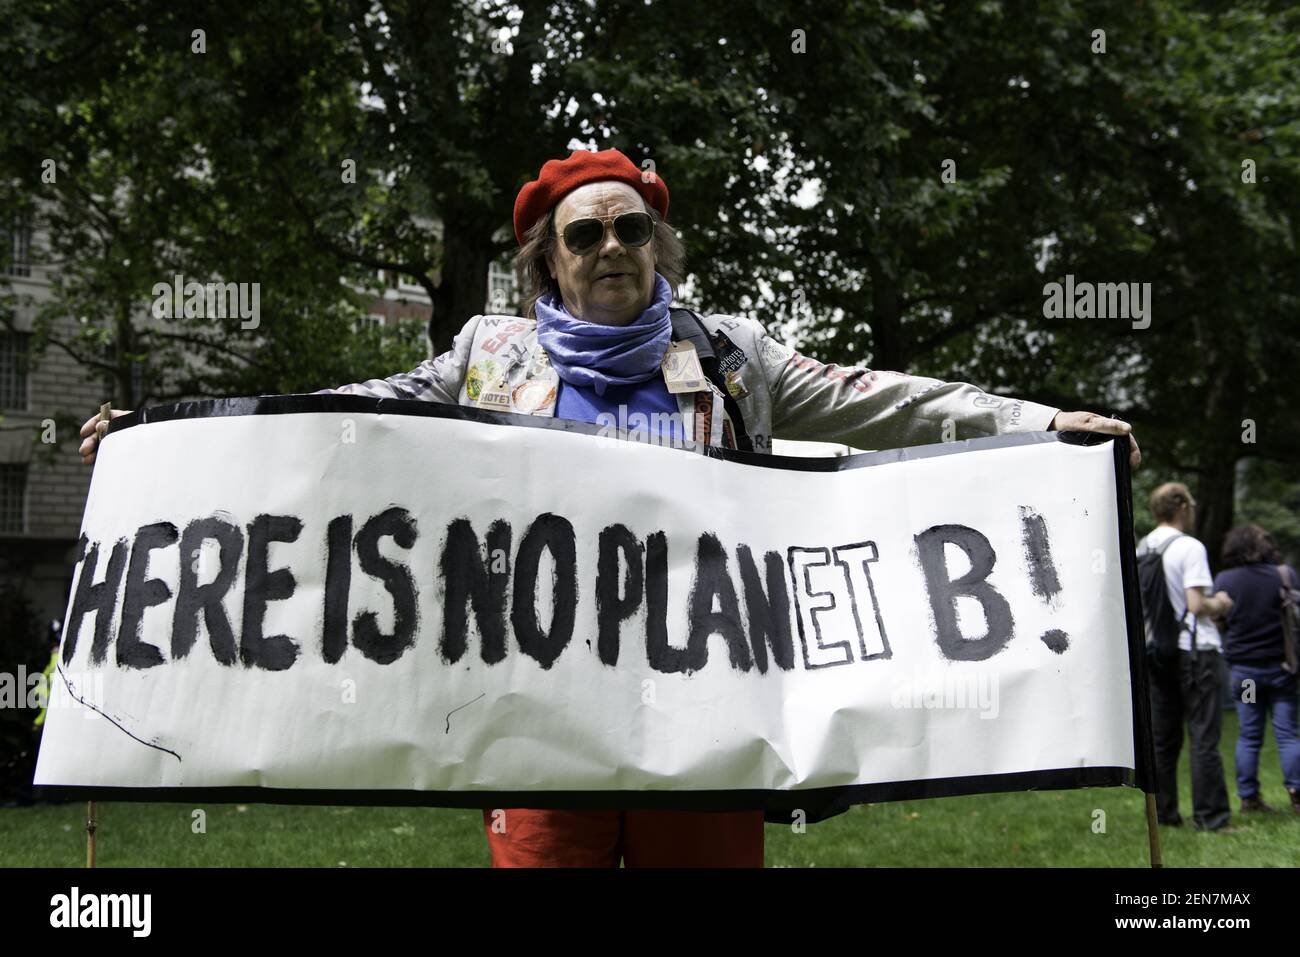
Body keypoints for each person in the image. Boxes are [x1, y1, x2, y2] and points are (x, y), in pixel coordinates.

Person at [80, 147, 1140, 866]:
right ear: (547, 260)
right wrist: (167, 436)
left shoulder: (731, 357)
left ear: (658, 244)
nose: (611, 249)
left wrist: (1043, 425)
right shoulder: (486, 356)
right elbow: (333, 417)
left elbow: (887, 404)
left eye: (630, 228)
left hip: (711, 718)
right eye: (582, 236)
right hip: (537, 716)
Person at [1139, 482, 1234, 831]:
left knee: (1164, 739)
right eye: (1191, 505)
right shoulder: (1189, 547)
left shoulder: (1143, 546)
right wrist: (1221, 603)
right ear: (1181, 507)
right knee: (1203, 737)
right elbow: (1196, 605)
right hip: (1195, 652)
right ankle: (1212, 817)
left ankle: (1165, 814)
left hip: (1156, 652)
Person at [1212, 524, 1300, 815]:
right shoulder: (1283, 575)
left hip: (1246, 674)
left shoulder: (1225, 579)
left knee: (1250, 735)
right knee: (1287, 734)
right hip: (1281, 670)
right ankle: (1297, 793)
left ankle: (1249, 798)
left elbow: (1219, 622)